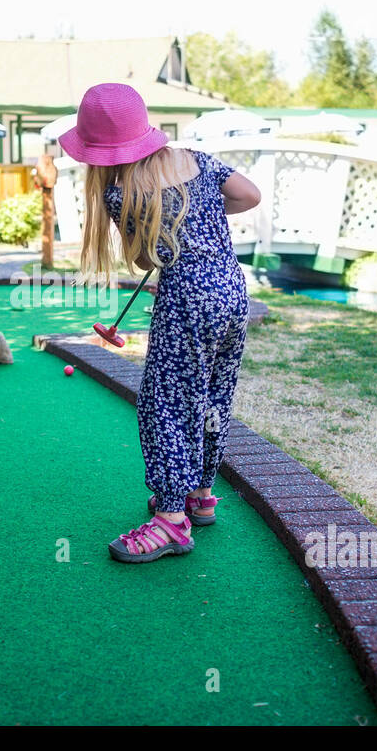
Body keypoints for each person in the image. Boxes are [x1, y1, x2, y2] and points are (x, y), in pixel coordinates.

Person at [60, 83, 261, 563]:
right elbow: (248, 196)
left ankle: (171, 521)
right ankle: (200, 495)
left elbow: (147, 255)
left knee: (166, 405)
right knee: (213, 395)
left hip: (187, 303)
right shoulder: (199, 160)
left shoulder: (119, 192)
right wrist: (201, 214)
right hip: (232, 294)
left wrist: (171, 234)